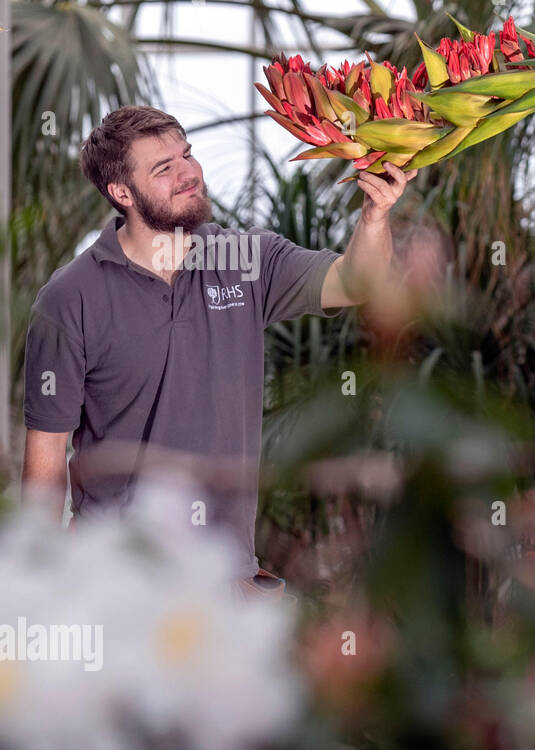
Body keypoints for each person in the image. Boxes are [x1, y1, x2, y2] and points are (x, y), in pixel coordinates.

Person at [20, 105, 420, 599]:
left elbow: (355, 282)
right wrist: (40, 581)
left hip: (227, 577)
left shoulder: (248, 260)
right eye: (163, 168)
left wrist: (375, 216)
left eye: (186, 155)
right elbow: (45, 456)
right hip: (119, 580)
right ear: (121, 193)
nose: (188, 173)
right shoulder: (69, 299)